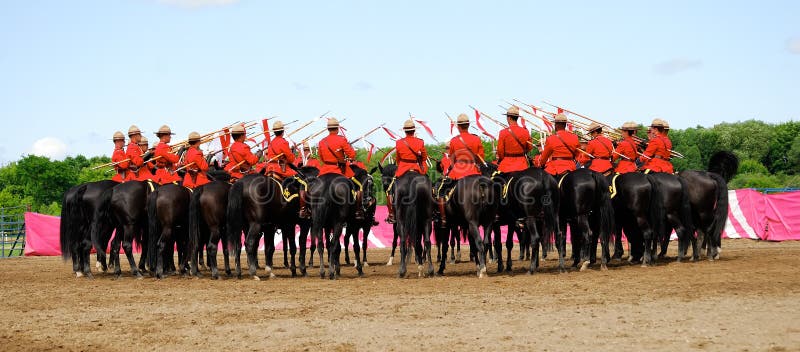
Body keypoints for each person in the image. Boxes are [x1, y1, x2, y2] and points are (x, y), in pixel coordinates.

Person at [436, 113, 485, 226]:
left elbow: (452, 159)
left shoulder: (454, 141)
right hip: (474, 172)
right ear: (468, 125)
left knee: (441, 191)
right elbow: (481, 157)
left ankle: (443, 218)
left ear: (458, 126)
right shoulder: (476, 139)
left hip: (458, 172)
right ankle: (494, 214)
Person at [318, 118, 364, 219]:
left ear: (328, 129)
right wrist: (344, 157)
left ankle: (307, 209)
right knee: (359, 186)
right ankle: (358, 210)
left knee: (310, 187)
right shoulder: (342, 140)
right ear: (337, 128)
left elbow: (321, 157)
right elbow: (352, 155)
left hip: (325, 170)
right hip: (339, 170)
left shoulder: (322, 142)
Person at [385, 119, 428, 224]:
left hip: (403, 169)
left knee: (389, 190)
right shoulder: (420, 141)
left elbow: (398, 159)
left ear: (405, 131)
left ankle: (392, 214)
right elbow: (424, 157)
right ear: (414, 131)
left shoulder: (399, 142)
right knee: (429, 187)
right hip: (416, 168)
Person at [496, 106, 532, 173]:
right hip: (522, 165)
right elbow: (530, 147)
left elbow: (500, 151)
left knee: (495, 180)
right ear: (517, 118)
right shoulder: (525, 132)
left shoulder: (503, 132)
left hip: (507, 166)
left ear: (508, 118)